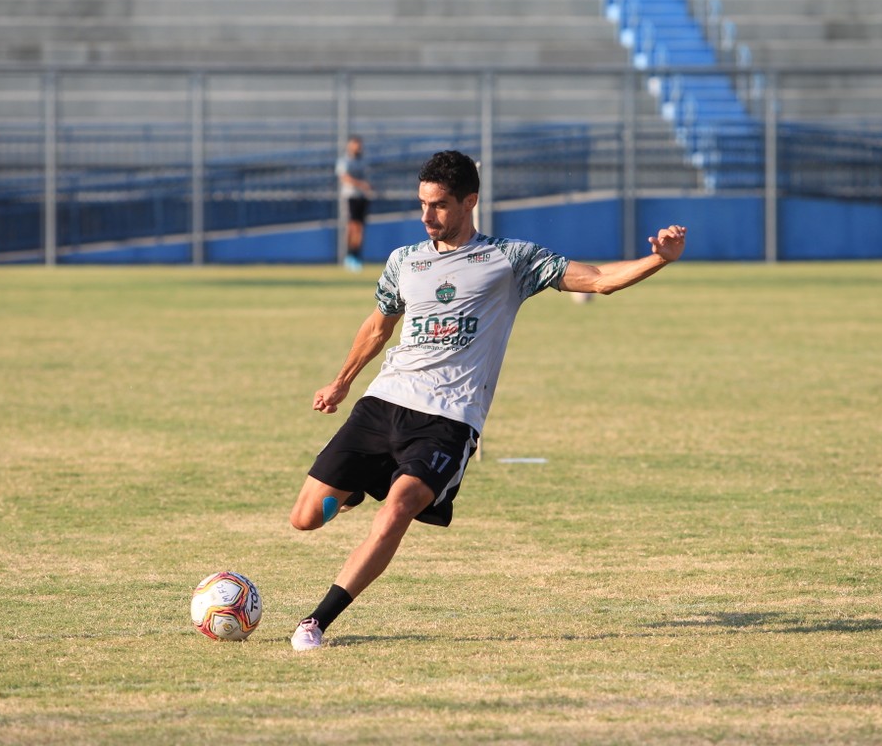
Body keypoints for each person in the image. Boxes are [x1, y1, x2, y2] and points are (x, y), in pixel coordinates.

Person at [289, 150, 686, 651]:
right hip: (382, 403)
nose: (427, 216)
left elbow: (600, 279)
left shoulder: (511, 260)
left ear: (470, 202)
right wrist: (342, 381)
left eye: (438, 205)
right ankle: (365, 485)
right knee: (305, 518)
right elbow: (378, 326)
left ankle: (315, 623)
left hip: (448, 420)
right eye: (422, 204)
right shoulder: (403, 261)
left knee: (398, 510)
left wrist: (659, 259)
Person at [336, 135, 373, 271]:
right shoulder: (345, 161)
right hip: (350, 197)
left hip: (362, 197)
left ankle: (356, 255)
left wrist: (367, 188)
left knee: (360, 228)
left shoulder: (363, 161)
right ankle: (349, 255)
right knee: (352, 226)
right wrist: (361, 184)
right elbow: (344, 177)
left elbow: (368, 178)